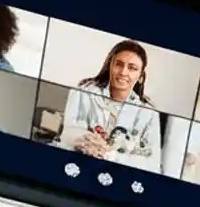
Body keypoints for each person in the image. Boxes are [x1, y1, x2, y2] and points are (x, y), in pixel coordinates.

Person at [57, 40, 163, 173]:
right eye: (119, 64)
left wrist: (110, 156)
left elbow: (152, 164)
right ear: (110, 66)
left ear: (140, 76)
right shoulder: (83, 91)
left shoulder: (149, 113)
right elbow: (68, 132)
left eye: (132, 68)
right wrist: (87, 141)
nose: (123, 72)